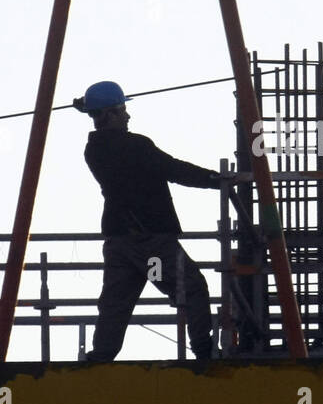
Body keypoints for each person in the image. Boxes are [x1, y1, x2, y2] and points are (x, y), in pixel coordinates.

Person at [75, 80, 220, 363]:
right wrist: (216, 179)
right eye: (121, 109)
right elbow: (174, 169)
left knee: (117, 302)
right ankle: (204, 353)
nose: (127, 116)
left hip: (120, 241)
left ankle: (102, 357)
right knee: (192, 287)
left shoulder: (94, 150)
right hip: (149, 240)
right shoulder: (135, 146)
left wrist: (89, 107)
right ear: (109, 114)